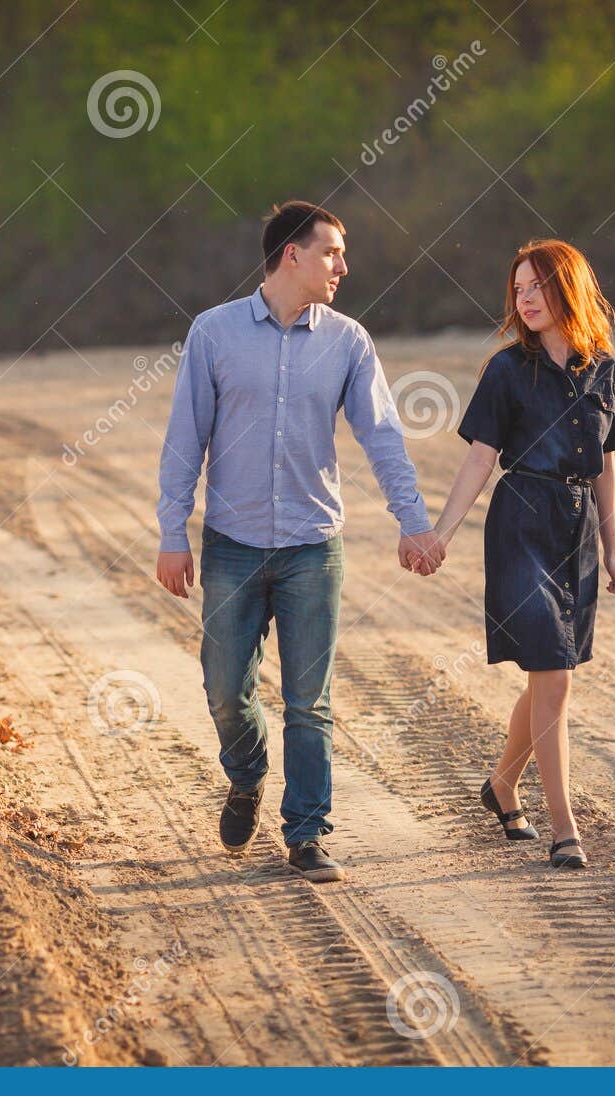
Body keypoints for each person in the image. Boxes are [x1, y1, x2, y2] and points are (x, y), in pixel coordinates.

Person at [155, 201, 444, 883]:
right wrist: (173, 532)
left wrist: (414, 519)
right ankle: (246, 773)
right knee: (225, 688)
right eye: (332, 252)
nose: (344, 266)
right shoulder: (214, 333)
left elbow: (382, 437)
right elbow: (184, 439)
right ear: (292, 254)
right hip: (233, 543)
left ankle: (307, 832)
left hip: (314, 547)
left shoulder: (349, 341)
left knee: (309, 700)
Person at [424, 238, 615, 868]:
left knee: (553, 676)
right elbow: (480, 458)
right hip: (520, 524)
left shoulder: (607, 370)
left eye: (536, 286)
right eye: (518, 288)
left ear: (567, 288)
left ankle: (502, 785)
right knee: (554, 674)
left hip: (577, 537)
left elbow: (605, 468)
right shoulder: (506, 370)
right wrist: (443, 532)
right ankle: (564, 829)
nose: (524, 298)